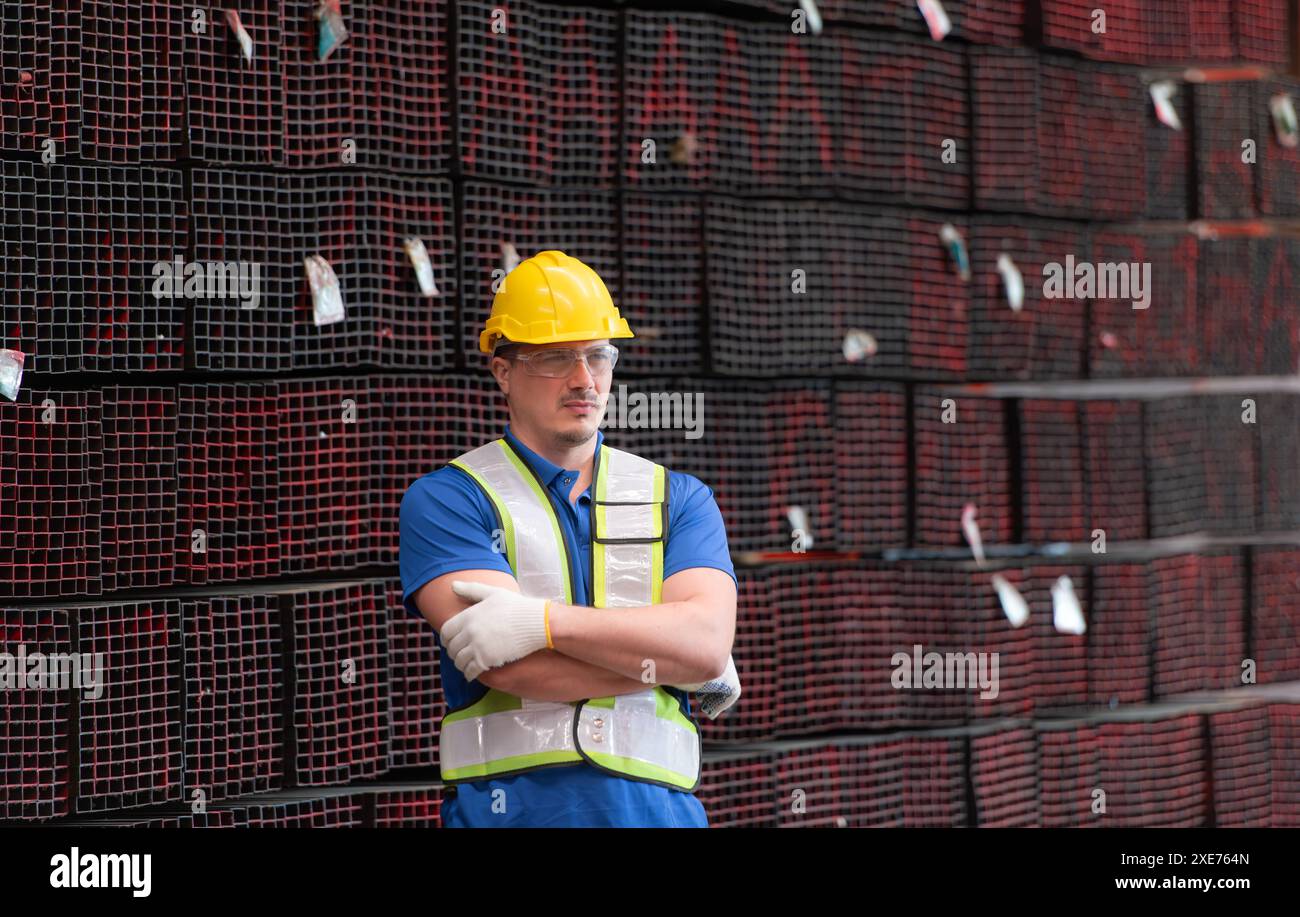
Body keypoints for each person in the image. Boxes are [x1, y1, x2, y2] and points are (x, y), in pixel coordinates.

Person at [400, 249, 741, 827]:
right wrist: (673, 658)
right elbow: (507, 668)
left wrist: (543, 625)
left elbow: (705, 645)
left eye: (598, 356)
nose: (583, 380)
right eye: (555, 358)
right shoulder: (448, 500)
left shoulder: (680, 499)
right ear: (502, 370)